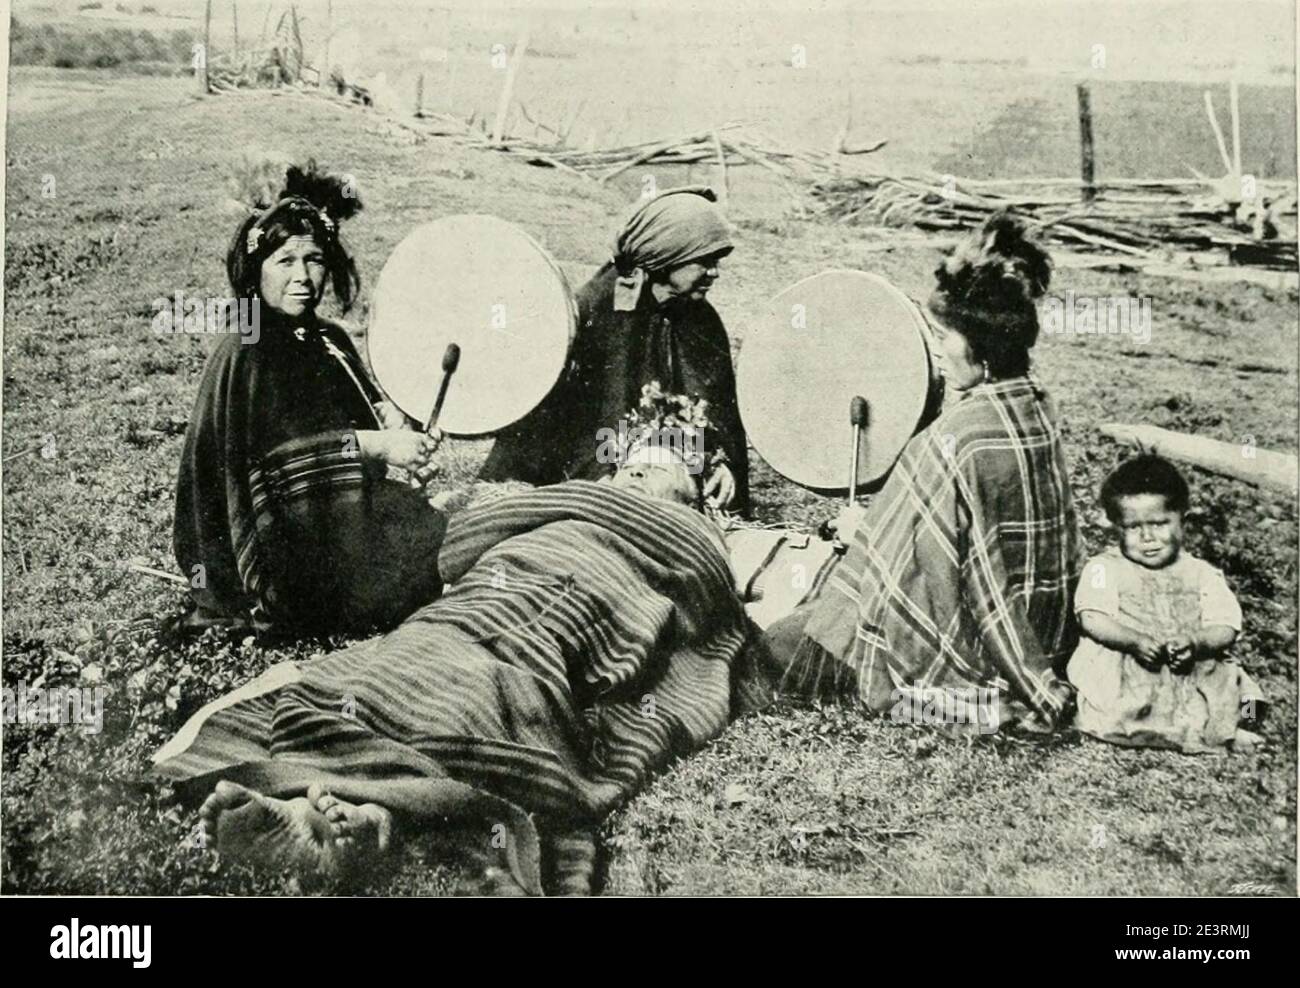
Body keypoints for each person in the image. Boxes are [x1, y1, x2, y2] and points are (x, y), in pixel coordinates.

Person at [154, 458, 775, 895]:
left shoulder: (691, 534)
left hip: (585, 608)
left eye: (662, 470)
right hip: (483, 598)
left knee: (498, 689)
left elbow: (712, 610)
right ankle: (363, 820)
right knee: (398, 664)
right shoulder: (568, 500)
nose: (636, 474)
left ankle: (371, 816)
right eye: (631, 466)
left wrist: (686, 530)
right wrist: (564, 499)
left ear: (691, 500)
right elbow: (459, 549)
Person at [767, 212, 1082, 732]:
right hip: (1046, 630)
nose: (939, 347)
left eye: (947, 335)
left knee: (779, 645)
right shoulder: (1036, 404)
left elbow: (968, 576)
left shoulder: (955, 440)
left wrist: (868, 535)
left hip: (979, 652)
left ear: (980, 347)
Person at [173, 160, 447, 636]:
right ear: (256, 273)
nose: (302, 276)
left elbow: (363, 422)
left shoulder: (328, 338)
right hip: (266, 542)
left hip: (326, 518)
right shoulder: (248, 348)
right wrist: (377, 447)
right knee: (417, 578)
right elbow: (272, 469)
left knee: (445, 544)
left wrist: (400, 434)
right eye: (284, 262)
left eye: (314, 259)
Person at [479, 186, 750, 514]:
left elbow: (716, 415)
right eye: (704, 262)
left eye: (716, 262)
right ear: (665, 257)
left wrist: (720, 467)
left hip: (670, 467)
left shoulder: (701, 320)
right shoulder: (594, 313)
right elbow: (560, 434)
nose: (714, 273)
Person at [1066, 455, 1265, 752]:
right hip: (1131, 665)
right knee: (1116, 710)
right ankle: (1196, 731)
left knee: (1239, 689)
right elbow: (1091, 617)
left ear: (1183, 519)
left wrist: (1196, 642)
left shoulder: (1202, 573)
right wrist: (1134, 641)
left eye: (1159, 524)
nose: (1147, 538)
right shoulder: (1103, 569)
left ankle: (1242, 720)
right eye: (1133, 528)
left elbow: (1227, 625)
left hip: (1191, 663)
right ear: (1116, 527)